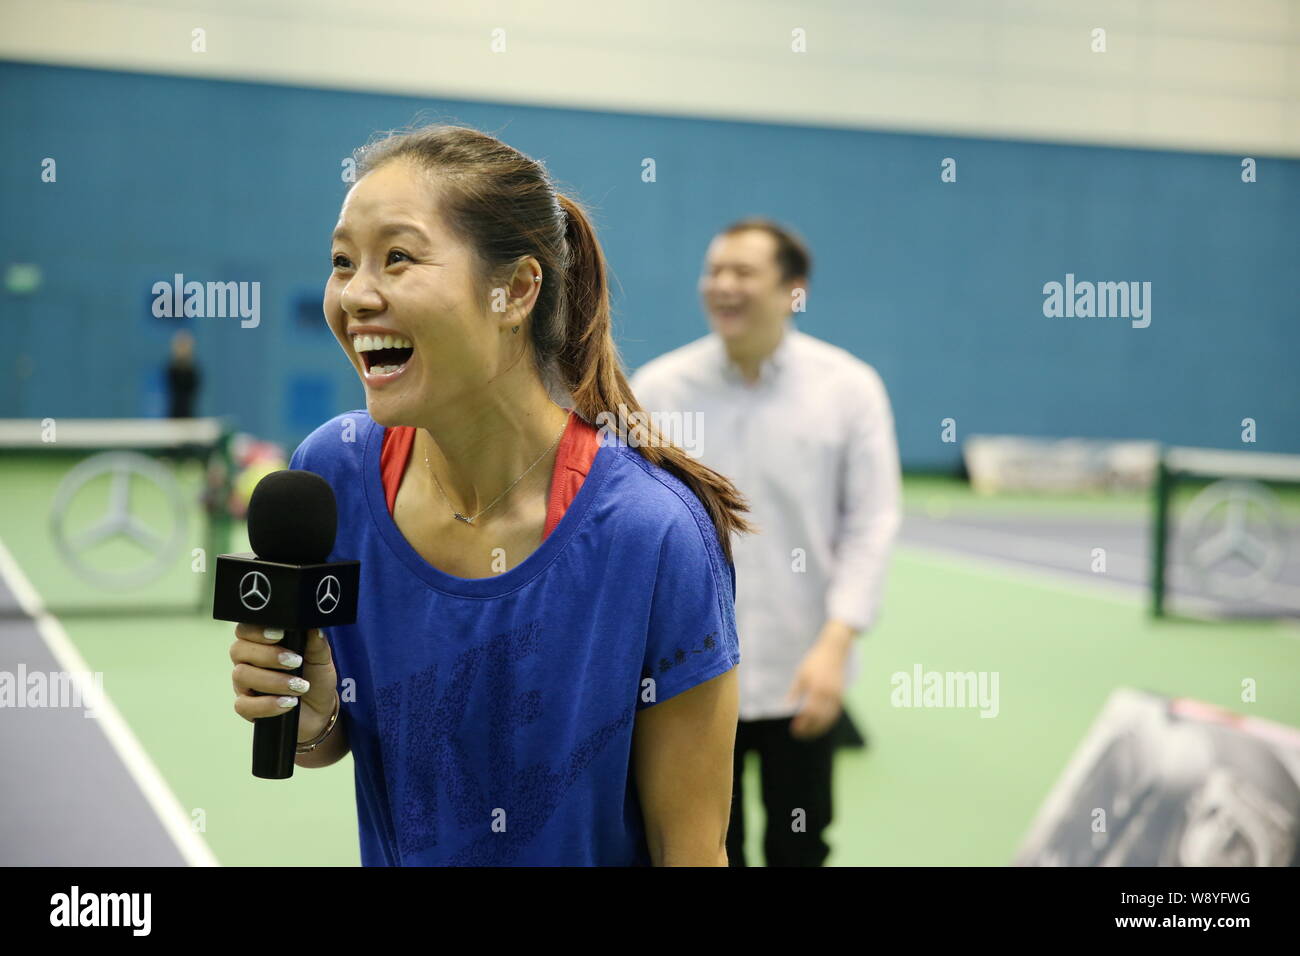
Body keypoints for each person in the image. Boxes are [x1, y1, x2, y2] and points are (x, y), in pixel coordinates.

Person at [226, 124, 756, 866]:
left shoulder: (652, 533)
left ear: (515, 291)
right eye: (342, 263)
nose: (355, 295)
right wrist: (311, 715)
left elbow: (691, 851)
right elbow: (339, 744)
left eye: (398, 258)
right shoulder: (333, 473)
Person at [629, 219, 902, 866]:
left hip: (799, 670)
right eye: (714, 271)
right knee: (705, 844)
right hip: (686, 673)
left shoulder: (849, 390)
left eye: (743, 272)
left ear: (792, 292)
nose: (723, 285)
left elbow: (872, 522)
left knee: (800, 842)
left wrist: (836, 646)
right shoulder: (659, 390)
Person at [165, 329, 200, 418]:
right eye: (180, 345)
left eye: (185, 345)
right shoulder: (171, 369)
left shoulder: (193, 371)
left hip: (190, 415)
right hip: (173, 415)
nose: (183, 349)